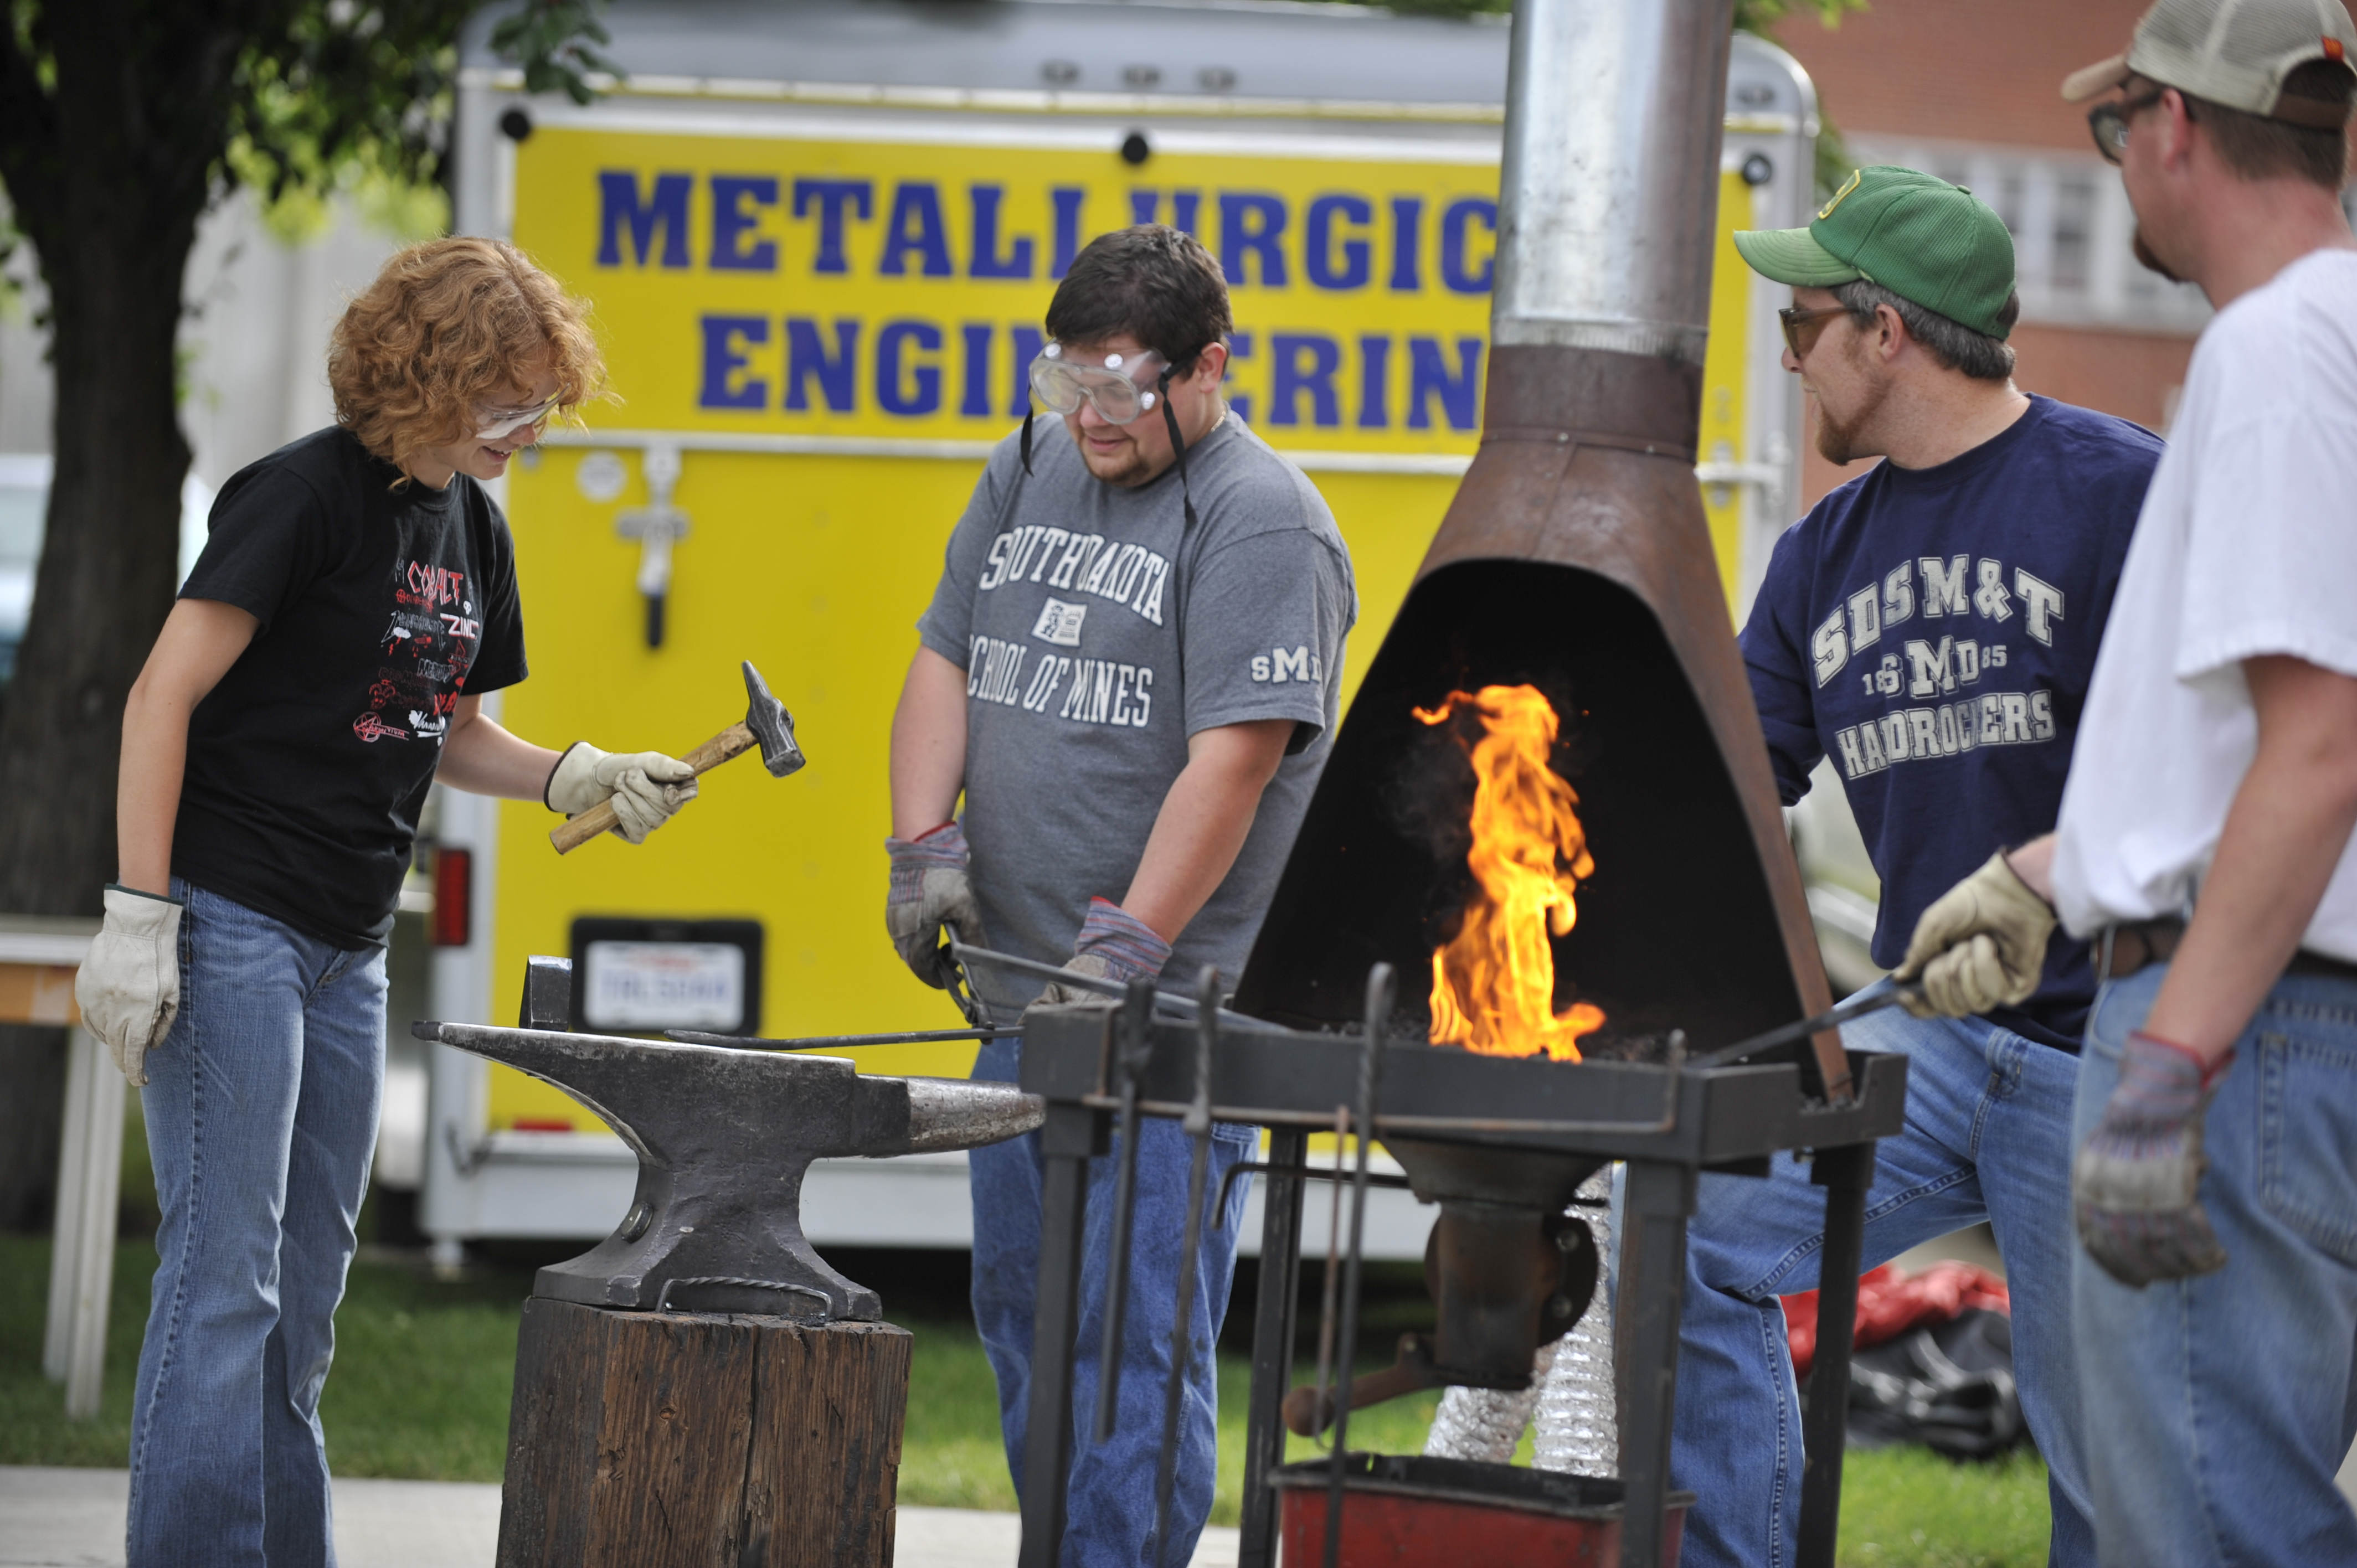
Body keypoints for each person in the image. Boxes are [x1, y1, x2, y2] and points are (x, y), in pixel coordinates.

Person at [73, 237, 698, 1567]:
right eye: (511, 399)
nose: (533, 427)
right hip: (231, 920)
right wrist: (140, 917)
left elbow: (454, 732)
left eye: (544, 400)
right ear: (433, 373)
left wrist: (575, 771)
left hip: (348, 951)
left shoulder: (473, 522)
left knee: (302, 1306)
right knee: (223, 1288)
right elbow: (158, 699)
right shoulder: (298, 497)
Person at [1899, 2, 2357, 1560]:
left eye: (2111, 133)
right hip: (2292, 1017)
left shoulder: (2280, 346)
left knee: (2211, 1536)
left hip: (2251, 1034)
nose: (2117, 169)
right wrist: (2052, 875)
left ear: (2171, 126)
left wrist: (2173, 1058)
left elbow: (2321, 739)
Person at [1671, 167, 2164, 1568]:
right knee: (1703, 1230)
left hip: (2104, 1043)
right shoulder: (1822, 549)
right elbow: (1741, 792)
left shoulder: (2121, 495)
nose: (1785, 354)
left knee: (2108, 1465)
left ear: (1886, 332)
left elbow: (2220, 763)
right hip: (1926, 1031)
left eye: (1803, 321)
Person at [885, 223, 1355, 1564]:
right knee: (1026, 1327)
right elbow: (943, 658)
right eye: (1067, 384)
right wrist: (923, 844)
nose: (1090, 421)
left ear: (1209, 369)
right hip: (1021, 1001)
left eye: (1122, 391)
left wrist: (1128, 943)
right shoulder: (1031, 462)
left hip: (1171, 1024)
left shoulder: (1265, 519)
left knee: (1128, 1349)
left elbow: (1238, 758)